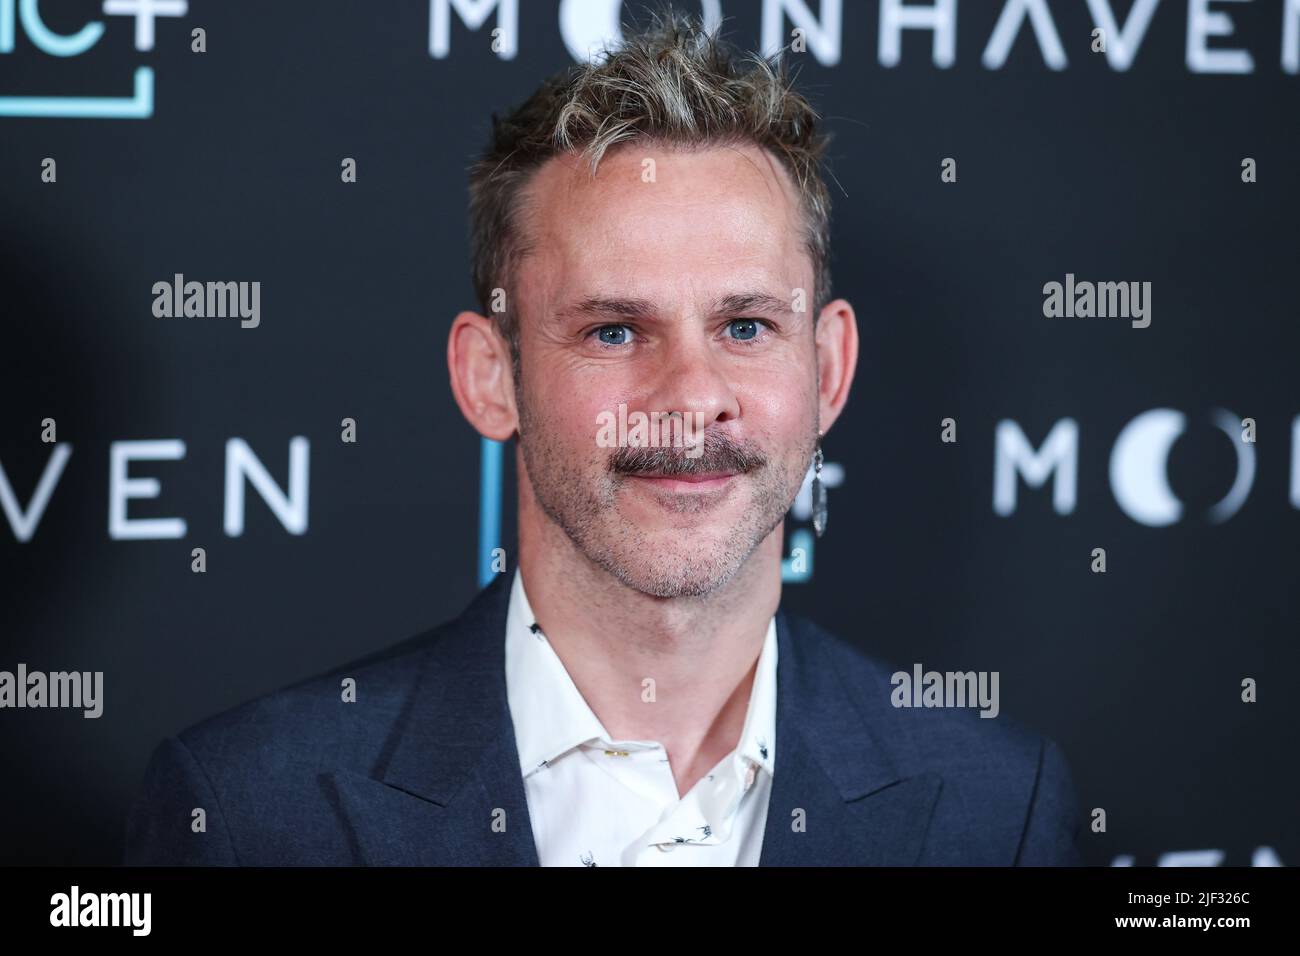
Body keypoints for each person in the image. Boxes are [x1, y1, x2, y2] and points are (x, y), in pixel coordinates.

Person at [124, 11, 1083, 867]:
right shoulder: (248, 814)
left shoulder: (998, 808)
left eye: (746, 327)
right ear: (490, 377)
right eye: (613, 331)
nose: (690, 399)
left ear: (827, 370)